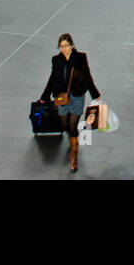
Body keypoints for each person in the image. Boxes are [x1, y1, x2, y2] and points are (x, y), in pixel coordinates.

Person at [37, 34, 101, 171]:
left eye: (66, 46)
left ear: (72, 45)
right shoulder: (56, 60)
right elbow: (52, 78)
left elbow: (87, 75)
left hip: (77, 96)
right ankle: (72, 140)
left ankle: (74, 156)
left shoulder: (80, 58)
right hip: (61, 97)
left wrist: (95, 94)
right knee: (64, 123)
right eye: (61, 46)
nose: (64, 49)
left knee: (72, 126)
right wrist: (45, 96)